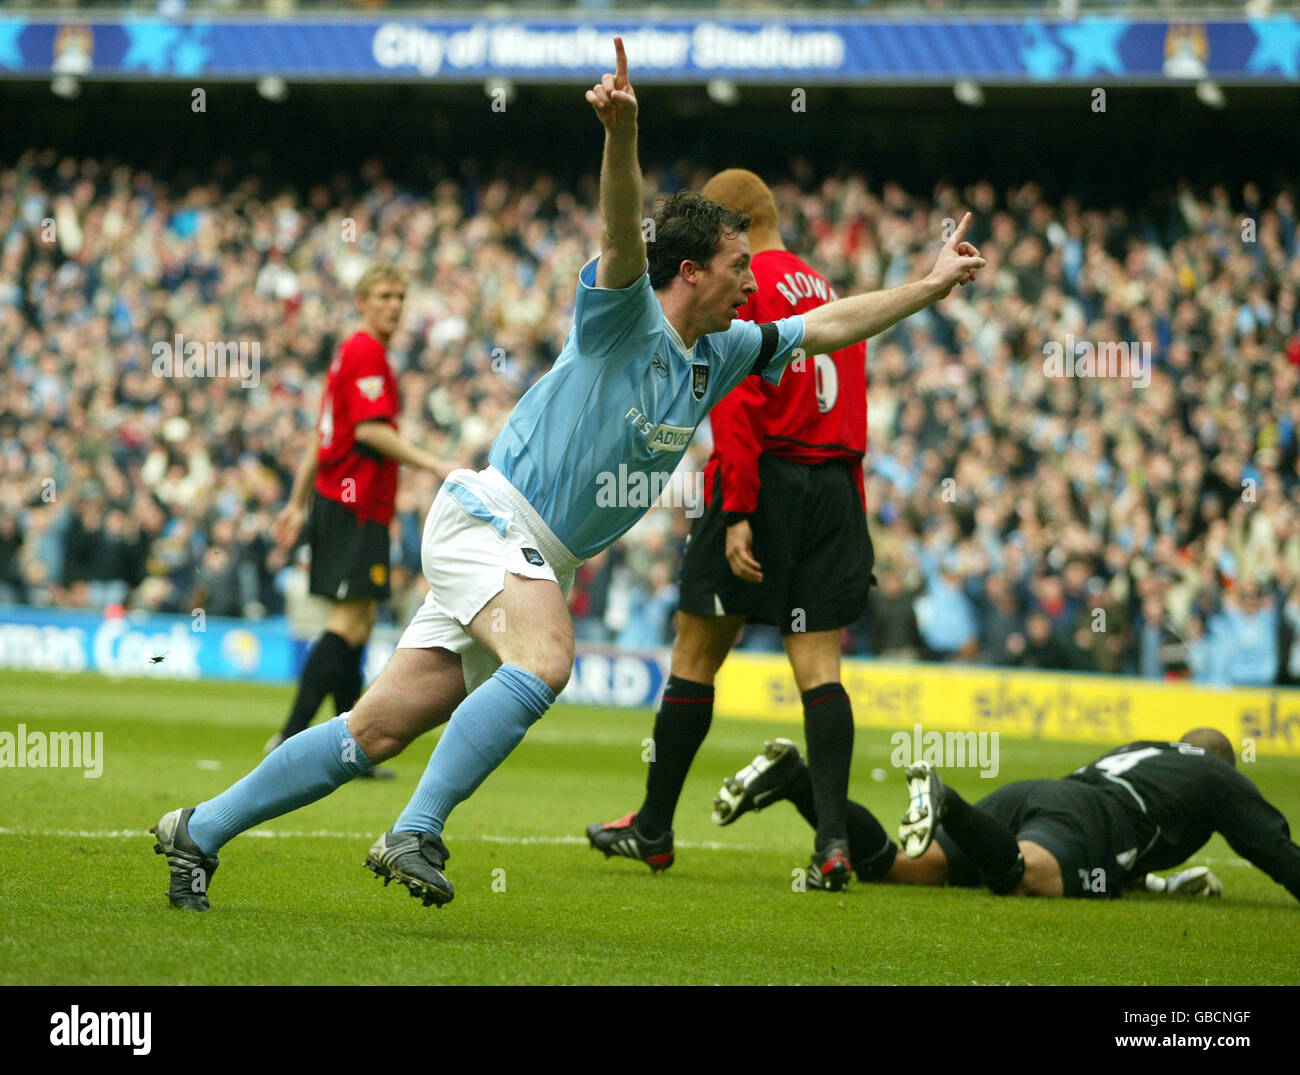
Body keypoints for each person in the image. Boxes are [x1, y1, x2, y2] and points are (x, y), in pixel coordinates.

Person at [150, 36, 984, 911]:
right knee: (547, 659)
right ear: (692, 270)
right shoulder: (622, 313)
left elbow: (833, 323)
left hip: (529, 553)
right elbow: (622, 229)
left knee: (374, 729)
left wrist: (929, 286)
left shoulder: (730, 347)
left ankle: (197, 831)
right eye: (742, 267)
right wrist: (620, 133)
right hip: (493, 520)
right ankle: (416, 830)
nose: (757, 284)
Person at [585, 168, 874, 890]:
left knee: (695, 654)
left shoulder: (745, 283)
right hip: (834, 484)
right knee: (820, 670)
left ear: (735, 222)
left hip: (764, 478)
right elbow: (852, 408)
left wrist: (739, 505)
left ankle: (653, 825)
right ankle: (832, 845)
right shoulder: (823, 286)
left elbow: (736, 400)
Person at [715, 728, 1300, 902]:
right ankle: (949, 802)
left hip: (1035, 796)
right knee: (1031, 875)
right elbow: (1273, 847)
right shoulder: (1216, 774)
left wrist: (1162, 884)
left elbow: (1115, 866)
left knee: (903, 868)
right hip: (1085, 817)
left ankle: (796, 779)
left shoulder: (1142, 751)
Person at [266, 263, 459, 778]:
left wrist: (295, 500)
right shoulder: (366, 352)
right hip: (352, 507)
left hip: (347, 504)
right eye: (383, 296)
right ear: (362, 301)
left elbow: (320, 433)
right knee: (347, 622)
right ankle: (290, 737)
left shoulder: (348, 355)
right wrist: (432, 462)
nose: (394, 305)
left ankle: (350, 749)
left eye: (400, 296)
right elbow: (370, 431)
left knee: (361, 621)